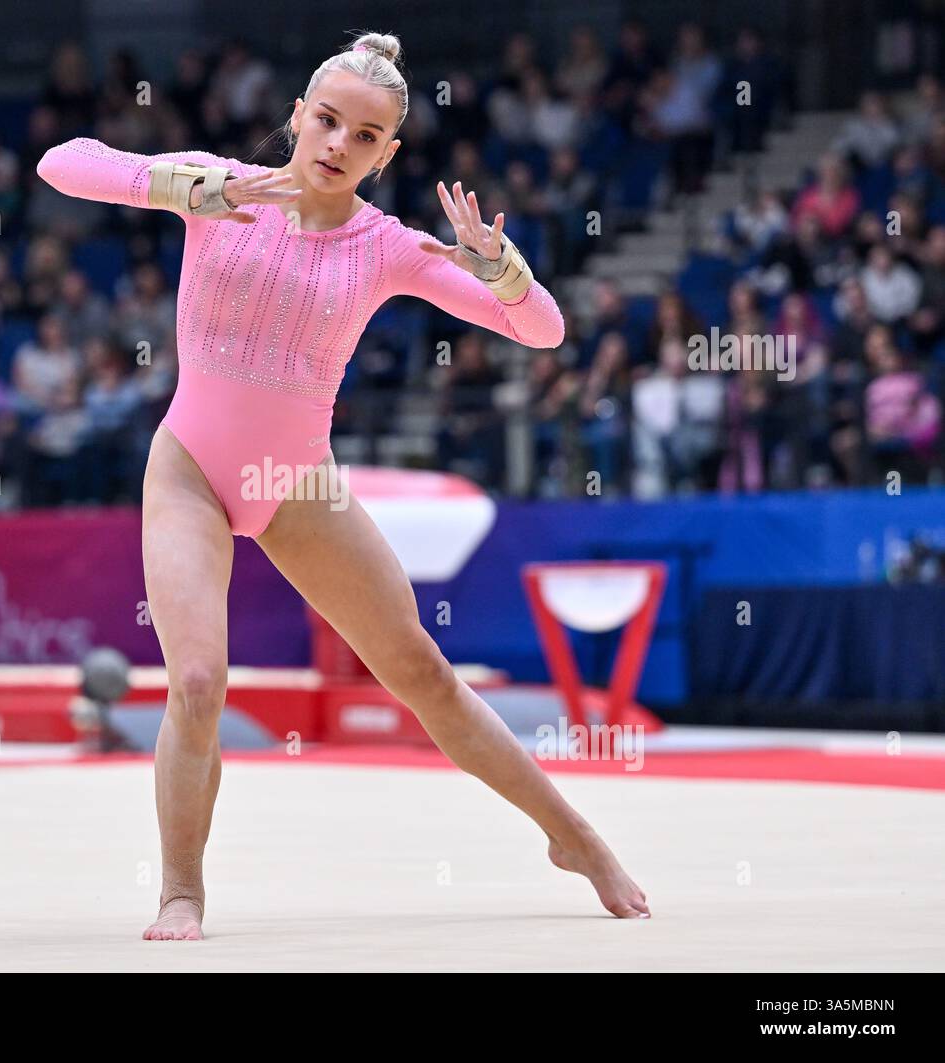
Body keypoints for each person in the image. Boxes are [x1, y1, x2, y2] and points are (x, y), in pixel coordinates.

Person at [37, 31, 649, 941]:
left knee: (422, 671)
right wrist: (188, 189)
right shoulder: (223, 189)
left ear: (385, 155)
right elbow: (61, 163)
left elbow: (545, 331)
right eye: (326, 120)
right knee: (197, 679)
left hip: (297, 485)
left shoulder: (386, 246)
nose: (337, 144)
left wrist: (499, 266)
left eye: (363, 137)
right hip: (191, 469)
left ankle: (575, 836)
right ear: (297, 115)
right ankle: (180, 890)